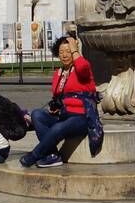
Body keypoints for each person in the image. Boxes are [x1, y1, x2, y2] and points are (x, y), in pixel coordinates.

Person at [20, 35, 94, 168]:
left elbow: (82, 68)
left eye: (68, 51)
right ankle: (53, 155)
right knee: (37, 114)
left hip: (81, 116)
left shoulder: (82, 67)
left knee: (58, 128)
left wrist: (75, 50)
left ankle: (34, 155)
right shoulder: (58, 73)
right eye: (61, 52)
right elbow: (57, 96)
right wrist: (56, 106)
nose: (65, 55)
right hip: (63, 115)